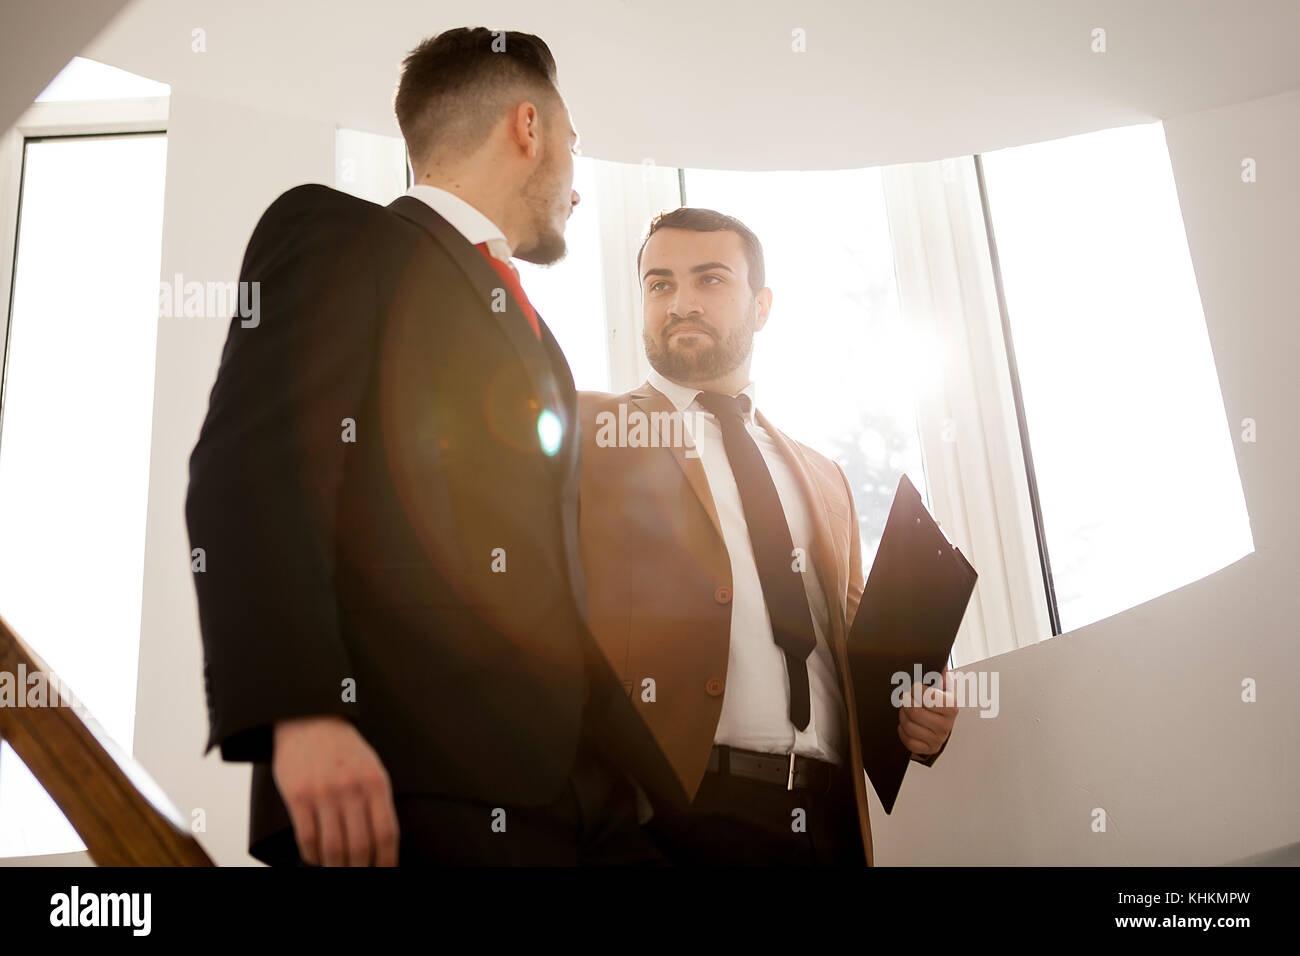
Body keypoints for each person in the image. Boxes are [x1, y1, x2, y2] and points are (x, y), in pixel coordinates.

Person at [185, 27, 684, 866]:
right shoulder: (338, 235)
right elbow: (253, 472)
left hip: (582, 797)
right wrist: (302, 716)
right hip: (415, 789)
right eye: (572, 144)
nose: (576, 188)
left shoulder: (537, 337)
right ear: (529, 127)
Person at [577, 207, 958, 865]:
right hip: (670, 824)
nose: (681, 302)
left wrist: (918, 709)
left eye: (710, 280)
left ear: (761, 306)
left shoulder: (823, 476)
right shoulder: (588, 432)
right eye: (659, 284)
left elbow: (860, 648)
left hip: (832, 821)